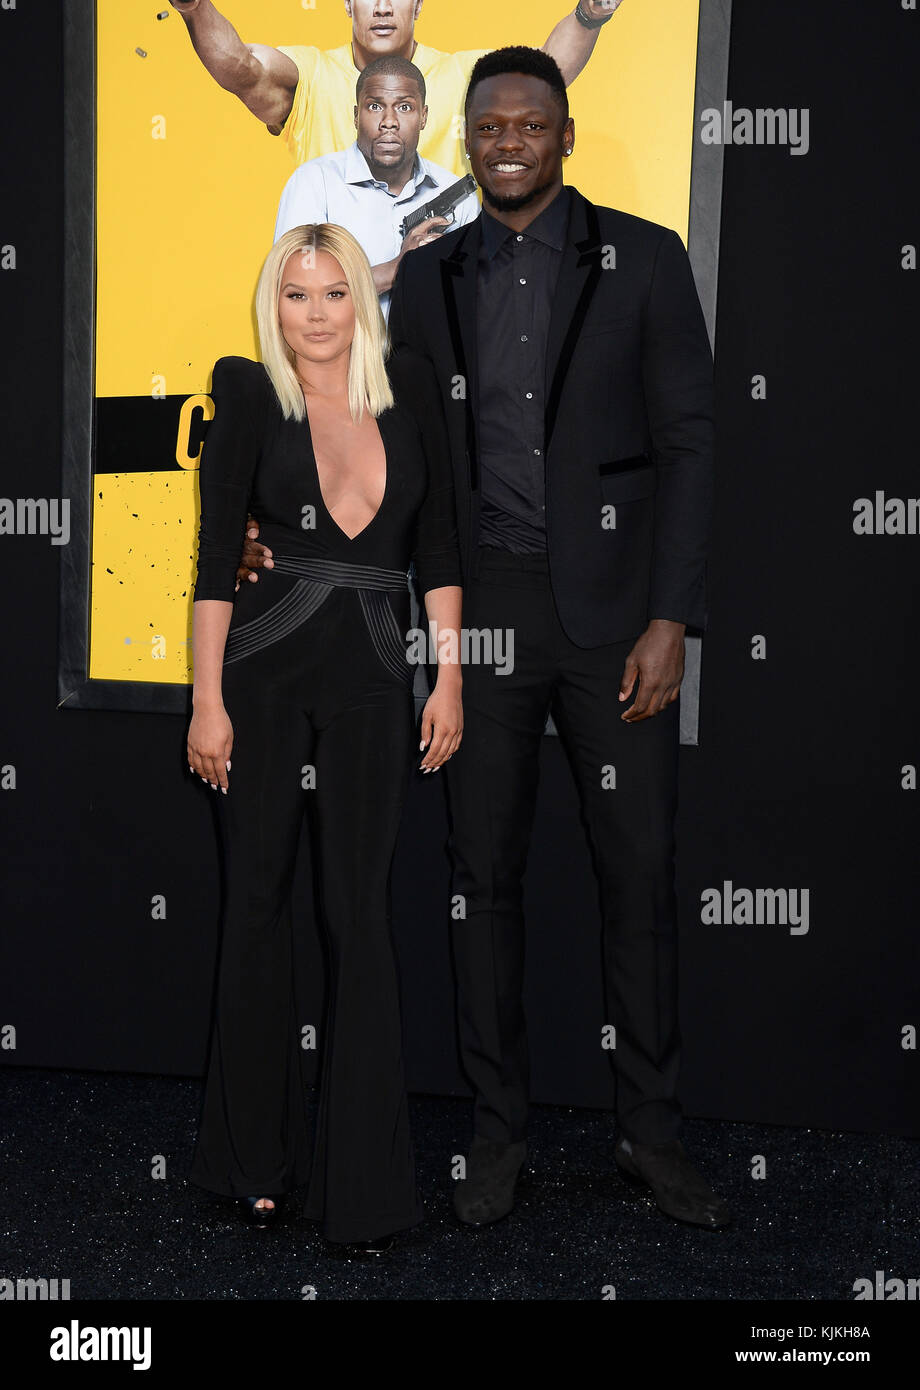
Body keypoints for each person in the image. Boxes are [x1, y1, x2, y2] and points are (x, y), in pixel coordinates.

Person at [237, 46, 731, 1233]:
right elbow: (359, 405)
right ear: (471, 141)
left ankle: (649, 1134)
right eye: (491, 125)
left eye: (530, 123)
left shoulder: (646, 260)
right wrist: (257, 509)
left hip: (618, 626)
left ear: (563, 133)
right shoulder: (435, 273)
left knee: (638, 882)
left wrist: (671, 619)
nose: (508, 139)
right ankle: (496, 1136)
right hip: (481, 621)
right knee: (479, 884)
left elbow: (691, 448)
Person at [185, 222, 463, 1253]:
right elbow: (217, 561)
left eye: (331, 292)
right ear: (276, 304)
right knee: (255, 904)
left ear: (361, 299)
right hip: (260, 683)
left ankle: (363, 1186)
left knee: (359, 916)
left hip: (372, 685)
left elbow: (439, 546)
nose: (313, 313)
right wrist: (204, 701)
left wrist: (449, 676)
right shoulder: (251, 393)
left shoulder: (415, 389)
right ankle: (251, 1164)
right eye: (294, 294)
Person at [169, 0, 626, 178]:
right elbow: (241, 68)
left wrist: (589, 15)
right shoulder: (312, 75)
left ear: (419, 5)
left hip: (437, 296)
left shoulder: (460, 74)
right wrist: (193, 7)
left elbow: (546, 76)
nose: (384, 7)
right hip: (335, 301)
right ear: (348, 5)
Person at [274, 55, 480, 321]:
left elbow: (473, 304)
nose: (389, 121)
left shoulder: (458, 196)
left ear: (424, 117)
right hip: (339, 360)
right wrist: (399, 268)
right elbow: (294, 296)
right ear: (356, 116)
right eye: (374, 106)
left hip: (429, 360)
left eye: (405, 107)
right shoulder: (314, 184)